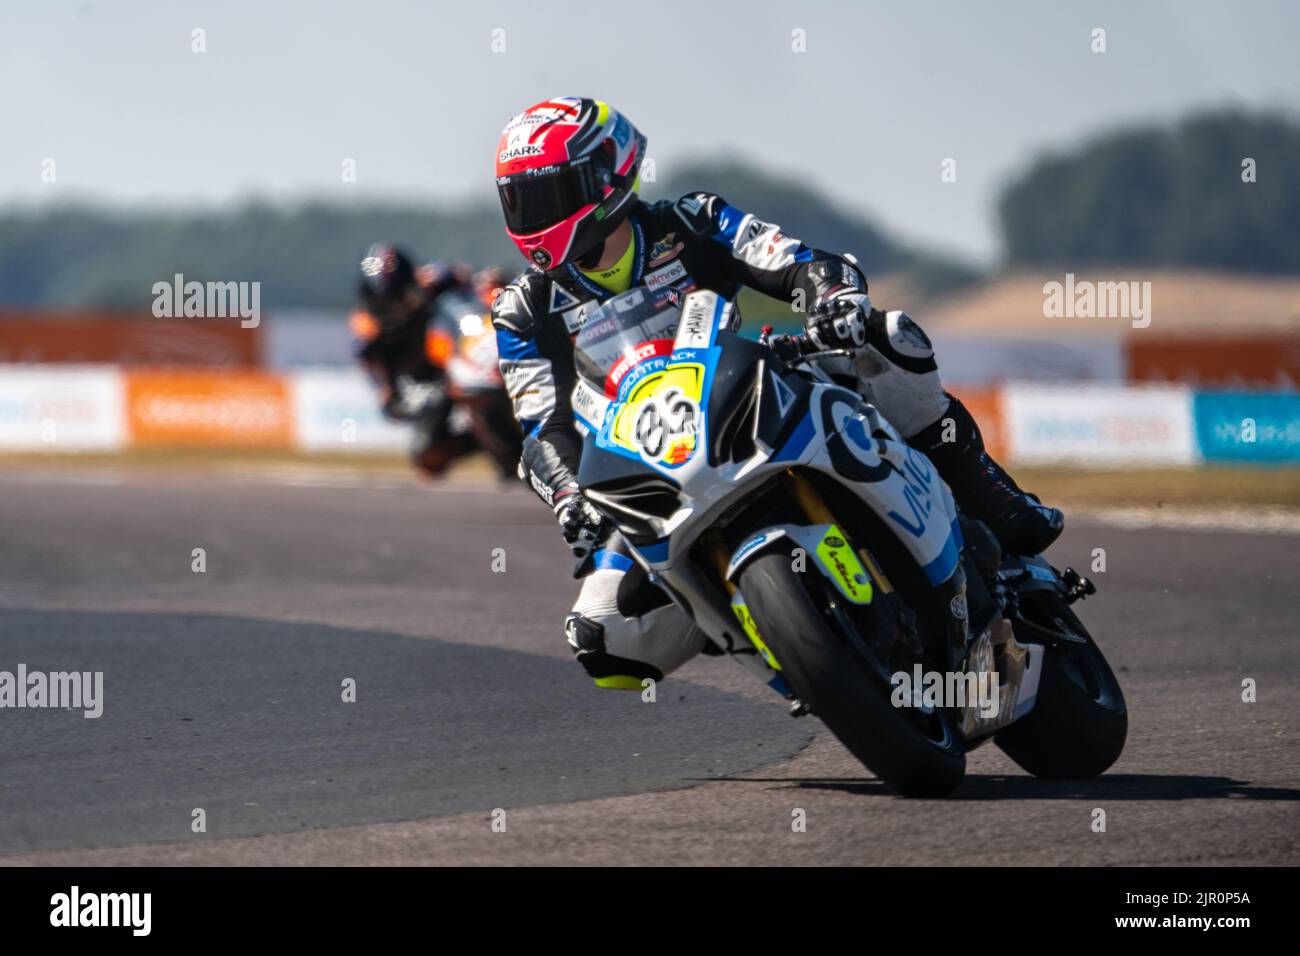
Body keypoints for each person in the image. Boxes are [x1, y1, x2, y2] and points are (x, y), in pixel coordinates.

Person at [490, 97, 1063, 689]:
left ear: (606, 173)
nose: (533, 213)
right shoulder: (523, 313)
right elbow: (540, 428)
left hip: (750, 393)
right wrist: (567, 495)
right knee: (602, 638)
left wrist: (832, 300)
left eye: (547, 193)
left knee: (887, 338)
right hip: (648, 461)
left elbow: (797, 261)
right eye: (519, 198)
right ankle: (782, 640)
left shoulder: (692, 222)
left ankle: (982, 488)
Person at [351, 244, 487, 477]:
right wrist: (404, 398)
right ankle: (488, 441)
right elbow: (389, 401)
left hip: (464, 356)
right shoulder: (366, 331)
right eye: (384, 302)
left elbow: (473, 278)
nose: (392, 309)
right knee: (428, 457)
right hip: (428, 385)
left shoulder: (435, 280)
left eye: (397, 299)